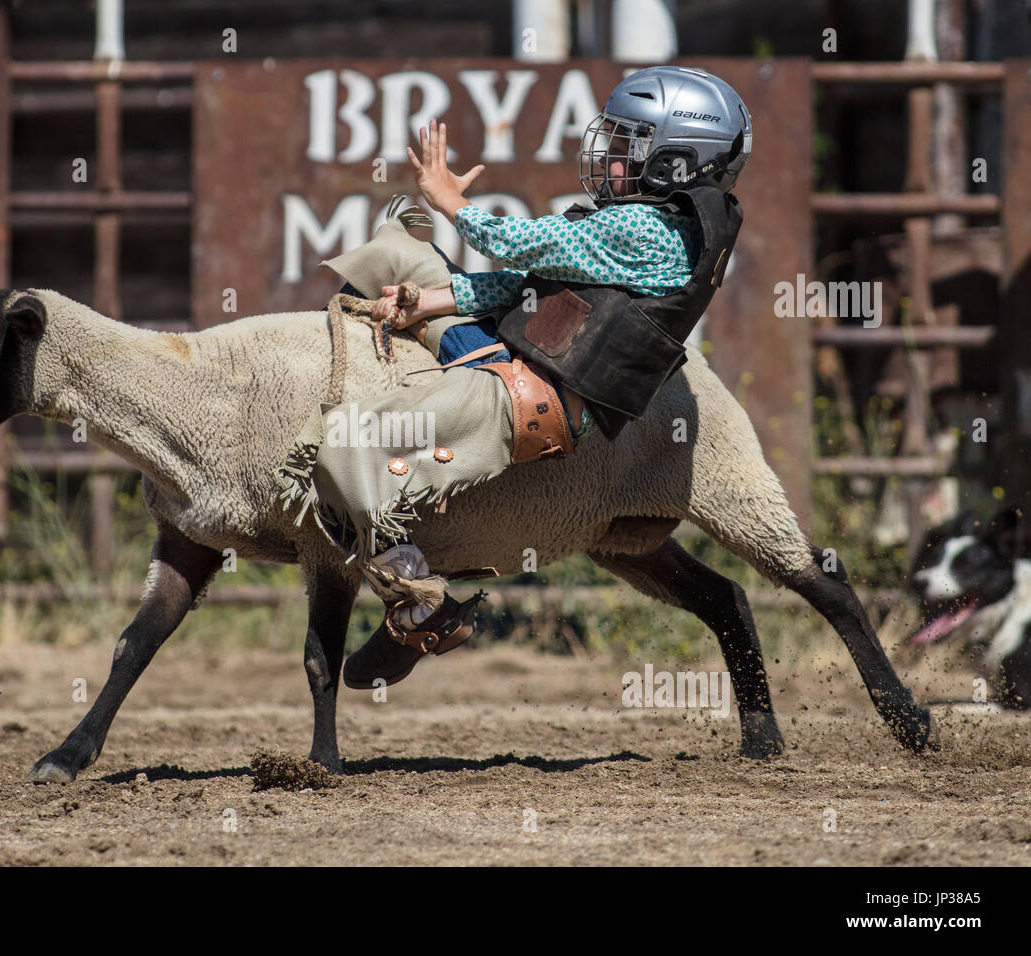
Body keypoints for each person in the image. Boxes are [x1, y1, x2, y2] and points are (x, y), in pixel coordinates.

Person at [276, 65, 752, 689]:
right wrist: (430, 302)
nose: (607, 154)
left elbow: (518, 244)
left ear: (676, 163)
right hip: (513, 355)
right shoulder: (651, 225)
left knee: (339, 448)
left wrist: (449, 200)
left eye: (627, 144)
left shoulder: (646, 230)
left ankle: (423, 605)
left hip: (530, 396)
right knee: (390, 253)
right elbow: (523, 287)